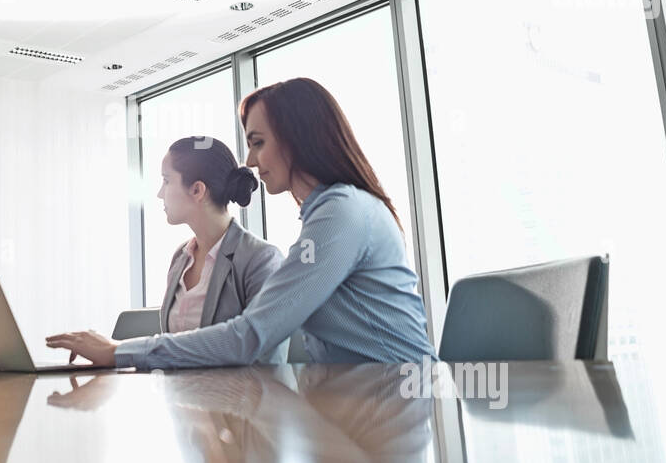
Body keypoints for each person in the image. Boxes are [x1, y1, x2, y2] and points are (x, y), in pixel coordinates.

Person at [47, 78, 436, 369]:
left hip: (393, 408)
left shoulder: (341, 213)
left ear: (297, 139)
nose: (249, 161)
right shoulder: (330, 212)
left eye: (258, 142)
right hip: (353, 408)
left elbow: (250, 336)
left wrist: (119, 351)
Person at [153, 136, 284, 361]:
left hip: (243, 395)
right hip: (180, 394)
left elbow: (264, 357)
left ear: (197, 190)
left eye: (166, 181)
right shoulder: (180, 257)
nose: (159, 194)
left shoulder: (261, 259)